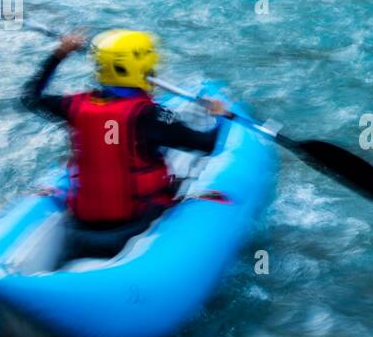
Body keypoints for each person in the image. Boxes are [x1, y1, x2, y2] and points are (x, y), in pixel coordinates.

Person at [22, 29, 228, 262]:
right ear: (142, 69)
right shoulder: (149, 115)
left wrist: (59, 54)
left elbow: (30, 96)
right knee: (173, 180)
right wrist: (217, 116)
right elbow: (207, 144)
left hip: (82, 221)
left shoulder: (73, 105)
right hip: (135, 221)